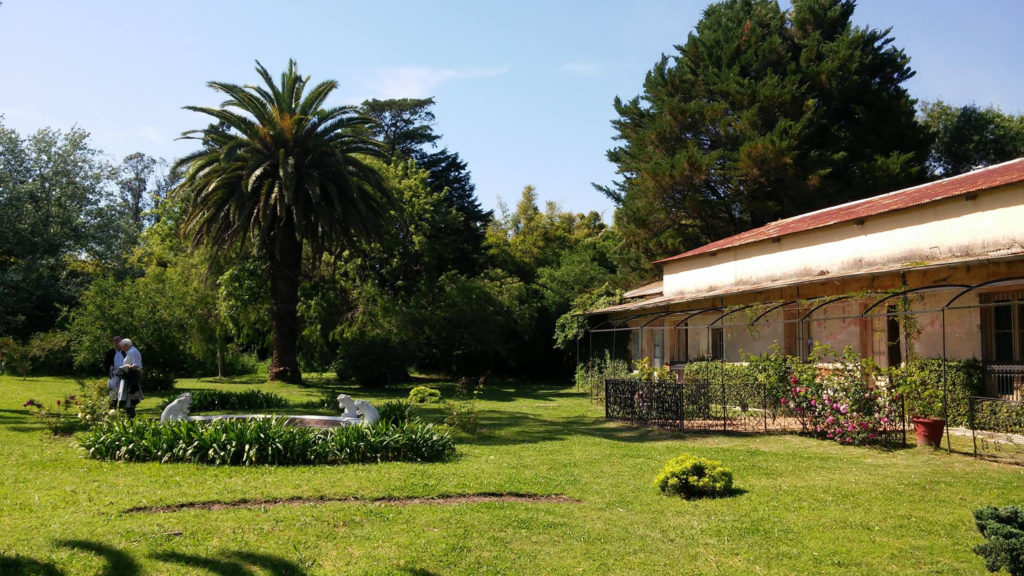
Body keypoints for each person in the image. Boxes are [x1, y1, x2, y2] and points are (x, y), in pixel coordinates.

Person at [116, 338, 143, 418]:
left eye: (122, 347)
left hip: (131, 377)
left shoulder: (133, 352)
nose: (122, 349)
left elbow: (136, 365)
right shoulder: (130, 351)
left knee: (130, 398)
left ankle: (130, 415)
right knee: (126, 397)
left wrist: (126, 367)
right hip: (128, 377)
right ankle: (128, 414)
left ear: (126, 345)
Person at [105, 336, 123, 408]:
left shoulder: (125, 352)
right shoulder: (110, 352)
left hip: (124, 376)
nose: (117, 344)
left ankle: (122, 410)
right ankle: (112, 410)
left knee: (123, 395)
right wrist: (110, 367)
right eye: (115, 342)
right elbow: (106, 363)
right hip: (114, 376)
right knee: (113, 395)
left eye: (119, 342)